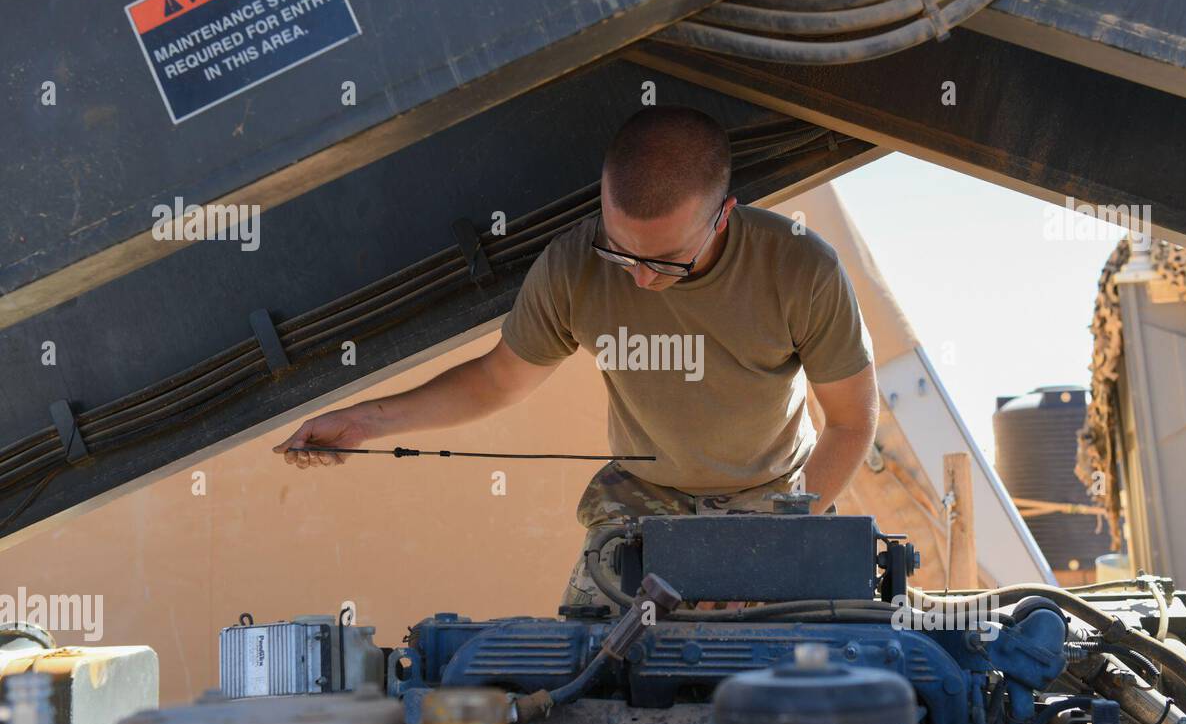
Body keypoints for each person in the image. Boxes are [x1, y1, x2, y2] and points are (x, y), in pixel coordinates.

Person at [274, 105, 879, 609]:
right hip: (642, 498)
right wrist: (366, 421)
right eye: (621, 251)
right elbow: (496, 379)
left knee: (787, 673)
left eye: (666, 261)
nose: (640, 279)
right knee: (592, 664)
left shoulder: (801, 269)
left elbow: (852, 422)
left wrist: (774, 542)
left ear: (724, 215)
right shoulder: (572, 265)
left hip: (776, 496)